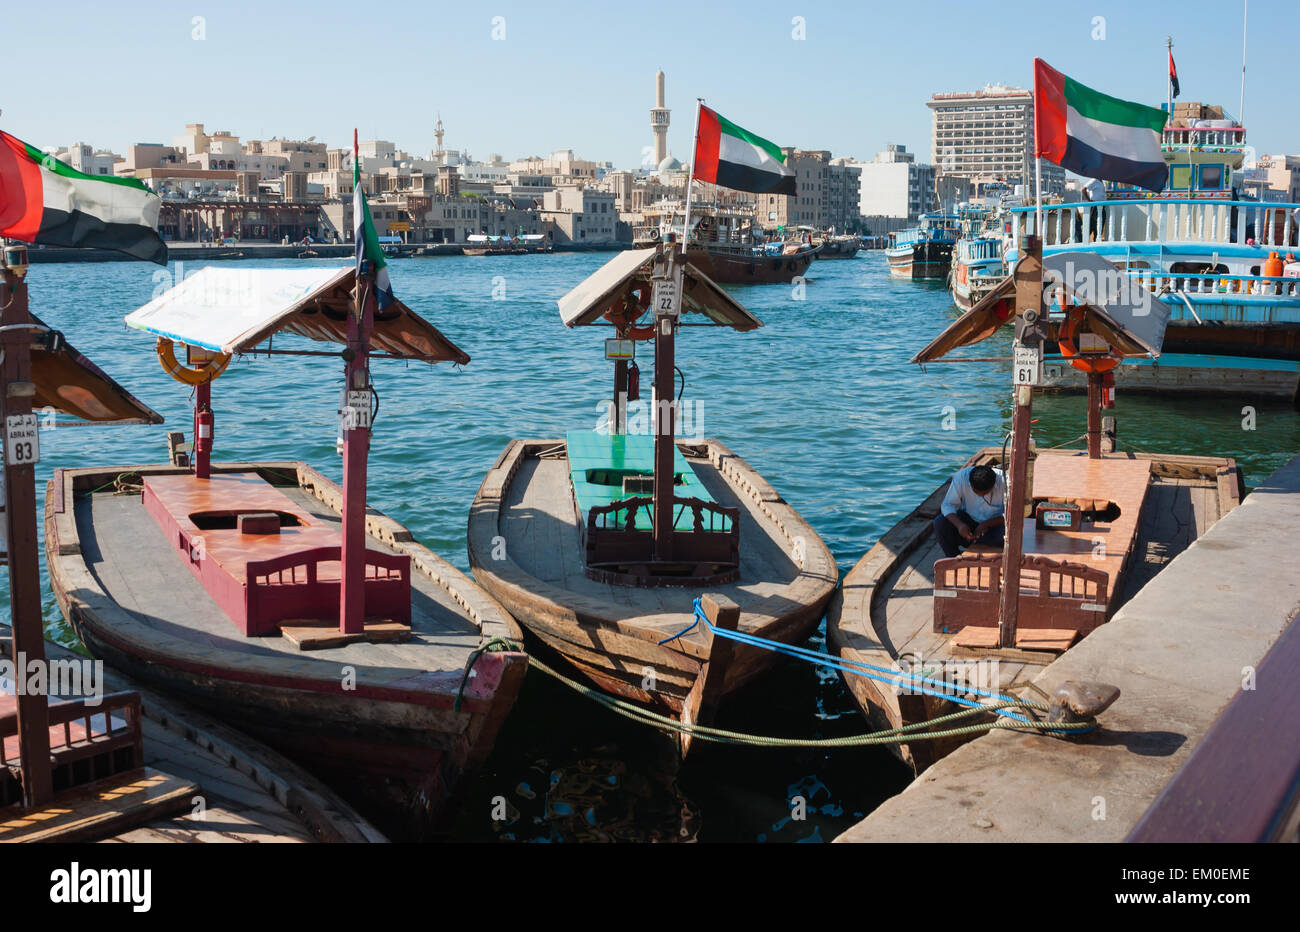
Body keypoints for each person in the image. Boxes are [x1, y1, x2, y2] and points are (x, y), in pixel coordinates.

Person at [933, 463, 1006, 558]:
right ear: (970, 483)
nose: (980, 495)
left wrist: (986, 524)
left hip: (995, 526)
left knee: (1010, 533)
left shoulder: (1006, 482)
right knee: (939, 523)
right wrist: (960, 525)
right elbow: (948, 505)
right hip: (969, 521)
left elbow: (1013, 516)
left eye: (985, 493)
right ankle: (953, 559)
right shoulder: (961, 478)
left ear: (993, 485)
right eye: (976, 492)